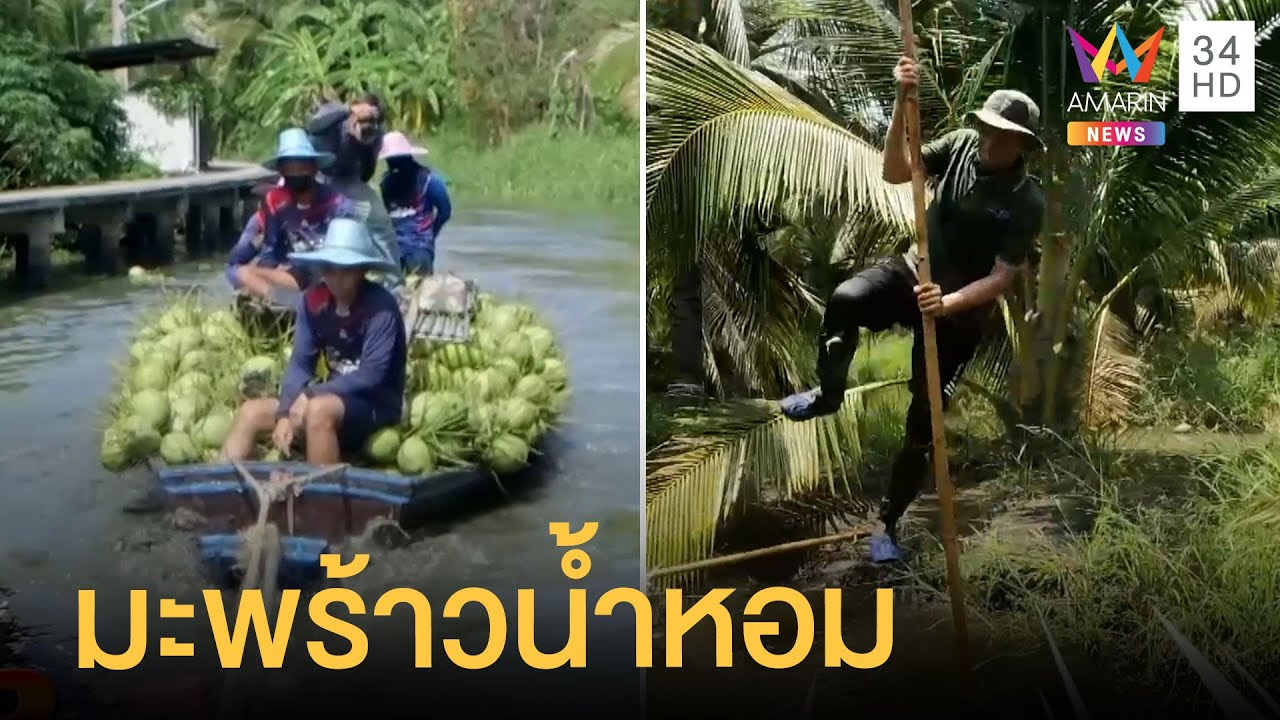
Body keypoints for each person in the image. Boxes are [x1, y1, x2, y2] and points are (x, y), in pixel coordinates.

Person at [778, 57, 1047, 563]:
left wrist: (947, 303)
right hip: (915, 270)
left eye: (1004, 137)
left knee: (924, 417)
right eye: (987, 130)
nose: (990, 142)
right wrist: (903, 100)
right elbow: (895, 170)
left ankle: (887, 525)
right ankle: (829, 393)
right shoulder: (960, 147)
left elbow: (1002, 277)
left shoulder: (1026, 200)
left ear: (1023, 146)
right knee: (845, 300)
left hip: (960, 311)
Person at [220, 217, 408, 466]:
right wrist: (286, 411)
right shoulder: (314, 302)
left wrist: (310, 394)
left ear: (362, 270)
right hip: (329, 395)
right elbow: (300, 365)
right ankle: (219, 489)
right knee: (251, 413)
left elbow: (370, 375)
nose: (336, 279)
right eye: (330, 269)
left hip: (376, 405)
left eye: (346, 271)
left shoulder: (380, 307)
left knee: (319, 411)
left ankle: (322, 498)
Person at [225, 128, 353, 300]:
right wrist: (272, 269)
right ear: (281, 171)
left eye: (302, 166)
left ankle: (296, 301)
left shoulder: (337, 202)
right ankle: (280, 302)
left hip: (330, 272)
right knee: (237, 272)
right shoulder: (275, 202)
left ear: (314, 168)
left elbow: (348, 250)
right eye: (290, 167)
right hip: (296, 273)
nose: (297, 172)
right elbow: (271, 249)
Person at [307, 94, 400, 277]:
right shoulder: (335, 116)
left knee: (380, 221)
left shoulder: (376, 134)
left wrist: (365, 146)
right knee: (311, 228)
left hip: (346, 179)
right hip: (311, 174)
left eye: (373, 120)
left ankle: (392, 278)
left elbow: (366, 174)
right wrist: (349, 110)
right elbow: (313, 125)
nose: (369, 125)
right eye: (364, 119)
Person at [378, 131, 452, 275]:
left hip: (419, 251)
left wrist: (431, 234)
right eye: (391, 160)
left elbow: (445, 211)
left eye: (397, 159)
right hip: (395, 250)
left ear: (408, 157)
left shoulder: (430, 181)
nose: (392, 163)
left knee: (421, 292)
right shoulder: (386, 183)